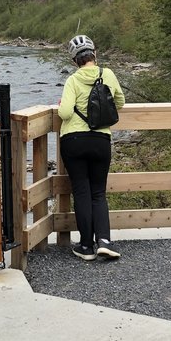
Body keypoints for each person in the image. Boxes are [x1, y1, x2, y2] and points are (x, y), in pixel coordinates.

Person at [57, 35, 126, 261]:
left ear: (74, 61)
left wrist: (61, 106)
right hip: (100, 140)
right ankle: (104, 241)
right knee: (98, 192)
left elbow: (65, 113)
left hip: (74, 140)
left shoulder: (73, 80)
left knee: (81, 192)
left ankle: (86, 246)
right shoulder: (108, 74)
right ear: (94, 55)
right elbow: (120, 102)